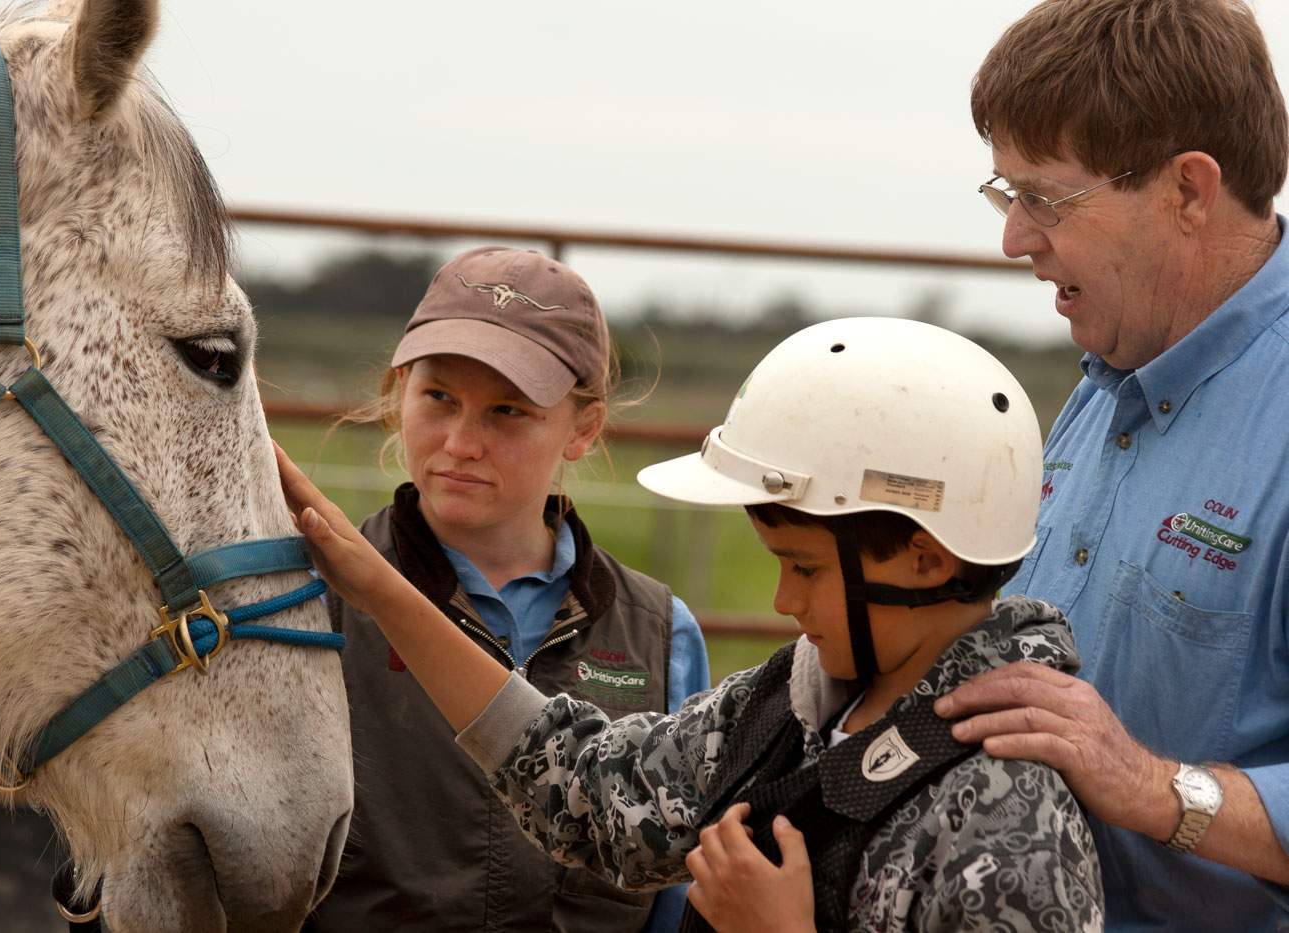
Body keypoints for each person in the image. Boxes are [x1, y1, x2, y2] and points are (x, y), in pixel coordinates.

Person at [278, 317, 1105, 931]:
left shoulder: (1010, 816)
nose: (781, 602)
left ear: (924, 559)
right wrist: (380, 589)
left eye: (805, 568)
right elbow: (582, 788)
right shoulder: (788, 705)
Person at [928, 1, 1289, 929]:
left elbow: (1117, 765)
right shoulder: (1111, 373)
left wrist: (1152, 786)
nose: (1014, 237)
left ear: (1189, 191)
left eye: (1046, 199)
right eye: (1005, 194)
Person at [300, 246, 711, 932]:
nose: (461, 442)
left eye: (508, 411)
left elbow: (677, 897)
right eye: (439, 398)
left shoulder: (663, 633)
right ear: (399, 390)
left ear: (584, 429)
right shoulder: (315, 600)